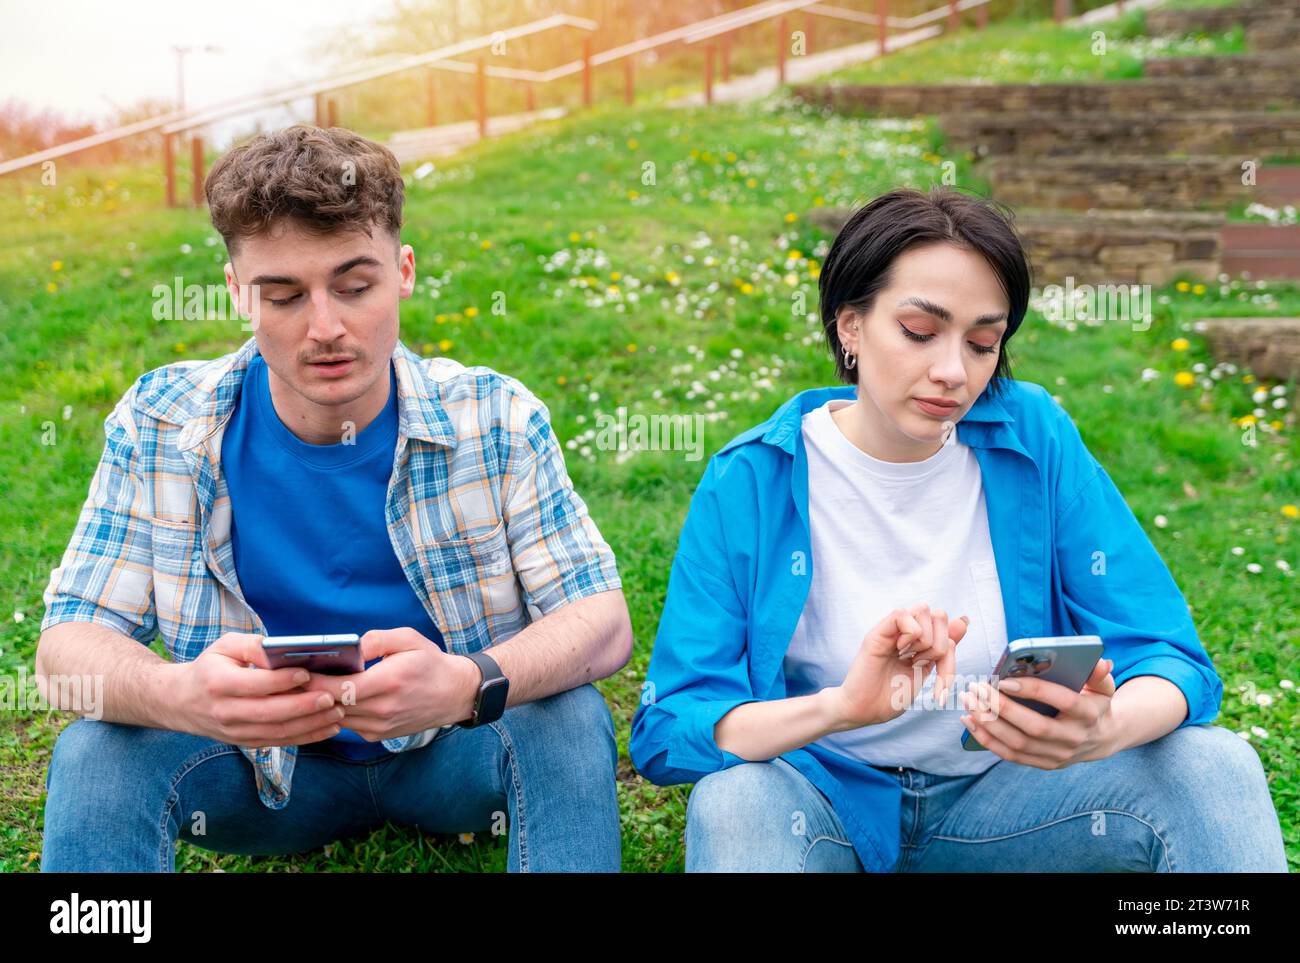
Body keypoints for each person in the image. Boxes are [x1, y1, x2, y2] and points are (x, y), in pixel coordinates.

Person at [629, 186, 1288, 872]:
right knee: (735, 800)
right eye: (919, 331)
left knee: (1214, 763)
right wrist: (839, 708)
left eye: (982, 343)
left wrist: (1104, 729)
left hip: (1011, 798)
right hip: (822, 800)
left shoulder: (1033, 434)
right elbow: (672, 725)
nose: (953, 372)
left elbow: (1172, 656)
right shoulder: (751, 478)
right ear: (849, 325)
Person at [38, 125, 631, 872]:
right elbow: (65, 649)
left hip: (451, 755)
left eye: (355, 287)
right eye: (283, 296)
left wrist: (462, 683)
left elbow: (603, 623)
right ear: (234, 292)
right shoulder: (160, 420)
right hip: (252, 773)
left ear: (404, 271)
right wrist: (179, 694)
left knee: (570, 718)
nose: (326, 329)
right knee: (95, 748)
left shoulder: (498, 416)